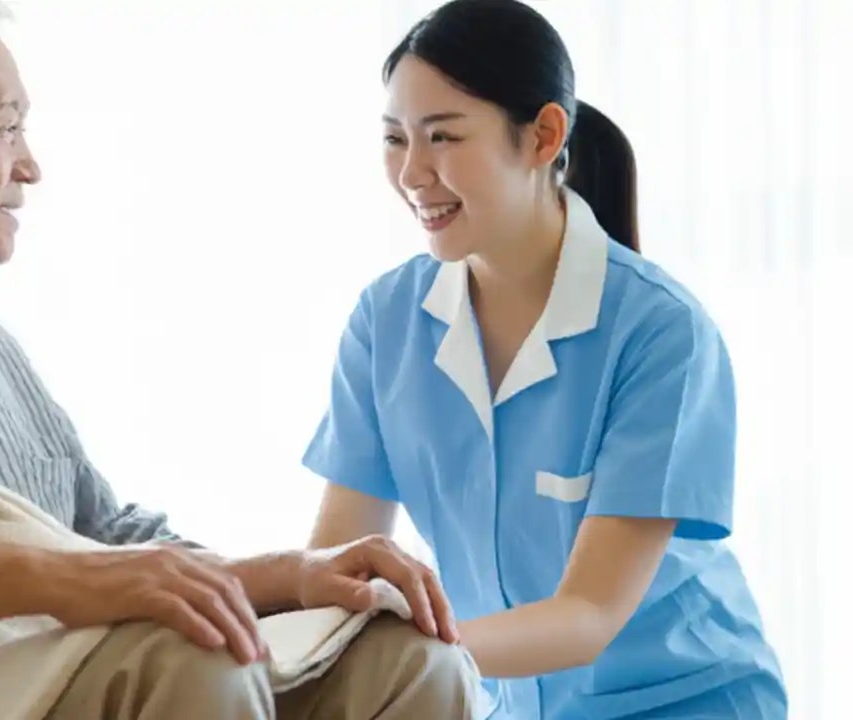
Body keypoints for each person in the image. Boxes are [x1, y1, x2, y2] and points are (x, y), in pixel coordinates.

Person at [0, 2, 483, 718]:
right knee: (197, 662)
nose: (30, 167)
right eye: (6, 127)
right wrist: (61, 579)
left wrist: (295, 573)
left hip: (54, 672)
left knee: (412, 658)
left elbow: (109, 539)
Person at [302, 0, 788, 717]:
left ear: (543, 136)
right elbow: (337, 561)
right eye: (393, 139)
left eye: (443, 137)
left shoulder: (661, 333)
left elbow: (588, 614)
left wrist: (404, 649)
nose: (411, 172)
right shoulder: (386, 324)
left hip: (687, 701)